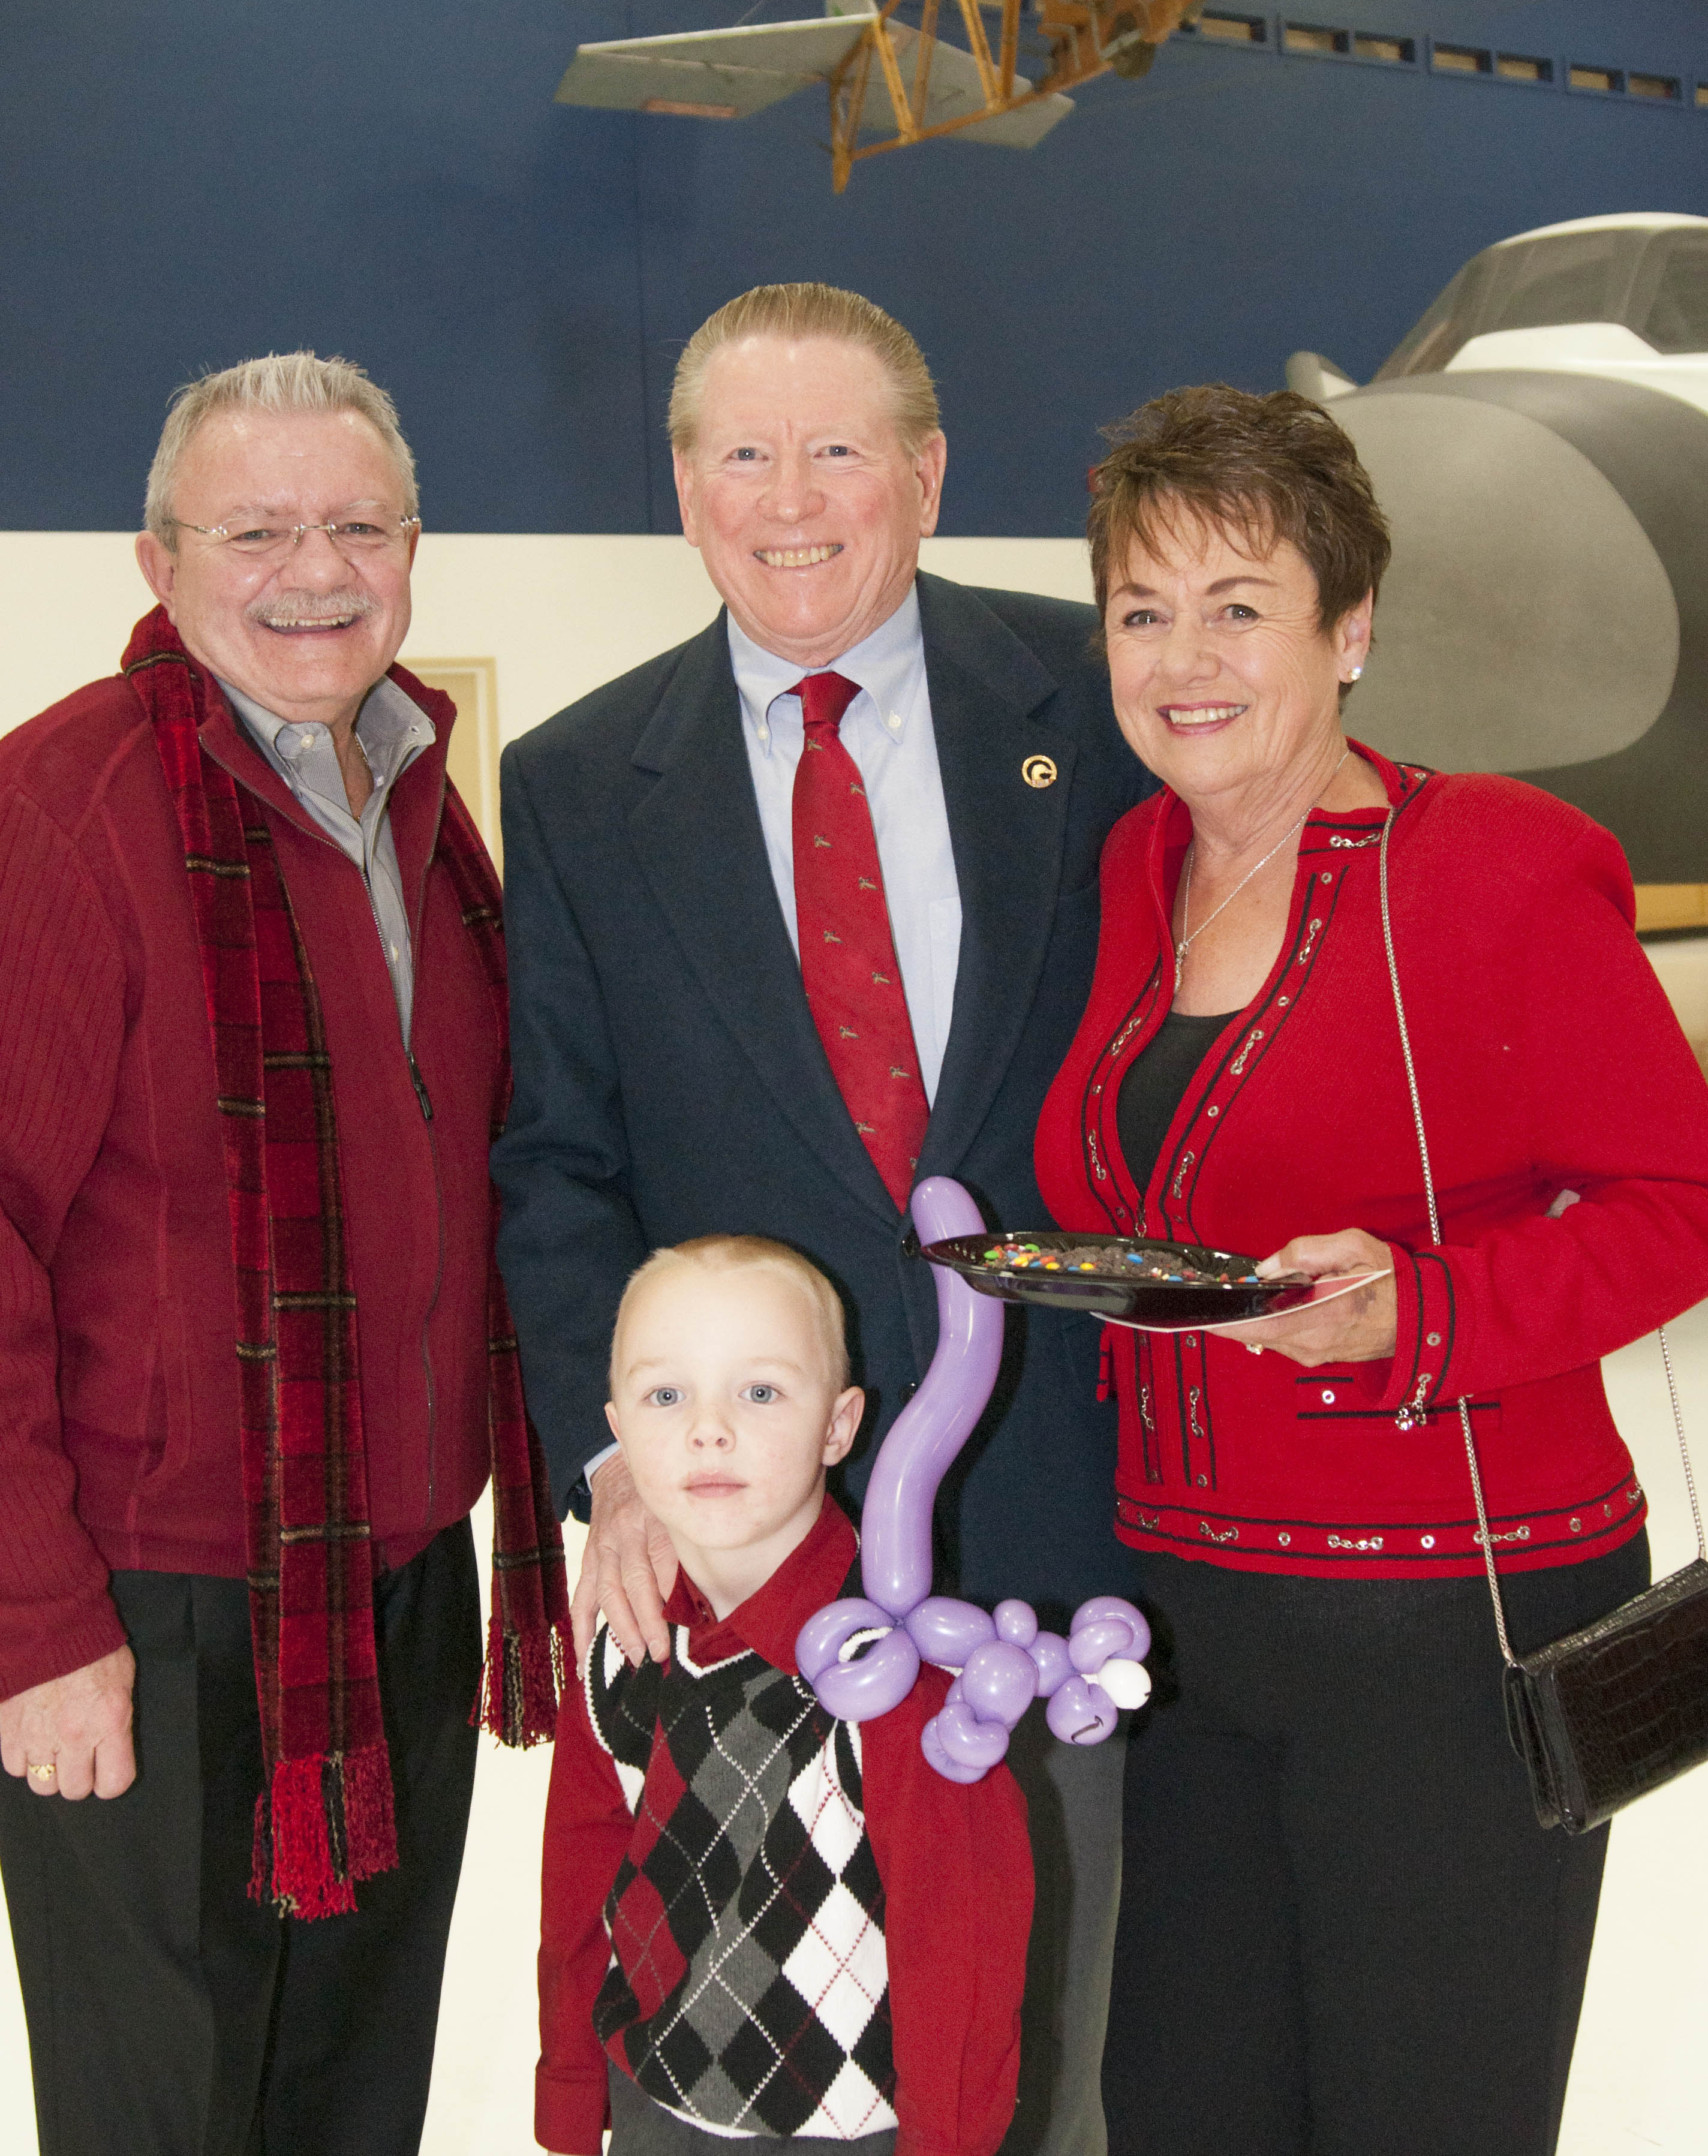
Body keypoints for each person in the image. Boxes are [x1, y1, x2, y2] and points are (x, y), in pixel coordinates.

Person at [495, 282, 1154, 2156]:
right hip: (740, 1572)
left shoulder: (1093, 713)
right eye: (744, 453)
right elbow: (557, 1162)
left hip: (1055, 1543)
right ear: (687, 489)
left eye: (842, 448)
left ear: (929, 477)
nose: (794, 498)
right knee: (767, 2073)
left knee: (1046, 2058)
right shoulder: (576, 785)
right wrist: (599, 1466)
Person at [1033, 381, 1708, 2156]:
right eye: (1142, 609)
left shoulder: (1496, 864)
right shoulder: (1133, 865)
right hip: (1188, 1619)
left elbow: (1678, 1202)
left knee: (1427, 2117)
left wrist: (1427, 1311)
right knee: (1186, 2108)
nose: (1184, 655)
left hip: (1451, 1629)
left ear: (1350, 631)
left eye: (1240, 606)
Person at [0, 352, 566, 2156]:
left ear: (414, 547)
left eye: (356, 524)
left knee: (350, 2096)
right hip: (151, 1619)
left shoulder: (419, 795)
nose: (314, 569)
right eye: (255, 529)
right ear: (158, 558)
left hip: (395, 1582)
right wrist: (35, 1628)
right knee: (166, 2117)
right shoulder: (62, 815)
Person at [536, 1235, 1033, 2156]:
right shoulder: (625, 1642)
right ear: (617, 1423)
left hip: (848, 2133)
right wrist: (570, 2093)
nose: (708, 1429)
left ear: (840, 1426)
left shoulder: (897, 1680)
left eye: (759, 1393)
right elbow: (577, 1876)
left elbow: (961, 1949)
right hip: (654, 2101)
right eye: (665, 1395)